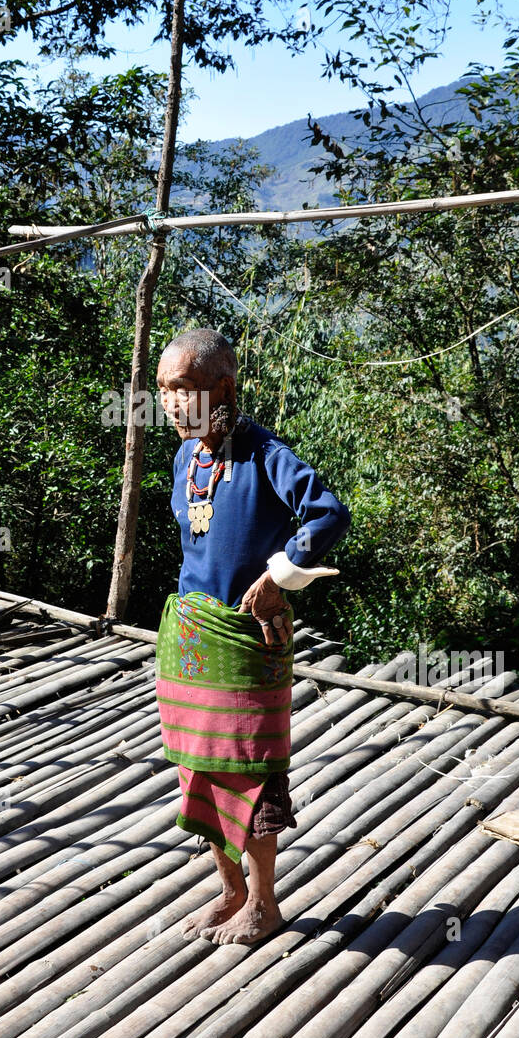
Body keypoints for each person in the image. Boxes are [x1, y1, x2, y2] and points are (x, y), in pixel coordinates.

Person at [154, 327, 351, 945]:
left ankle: (265, 903)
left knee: (250, 770)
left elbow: (329, 514)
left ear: (224, 387)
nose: (171, 403)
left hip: (247, 643)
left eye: (184, 389)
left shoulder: (262, 453)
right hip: (192, 640)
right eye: (163, 390)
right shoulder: (188, 459)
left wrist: (279, 577)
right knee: (200, 770)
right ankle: (232, 890)